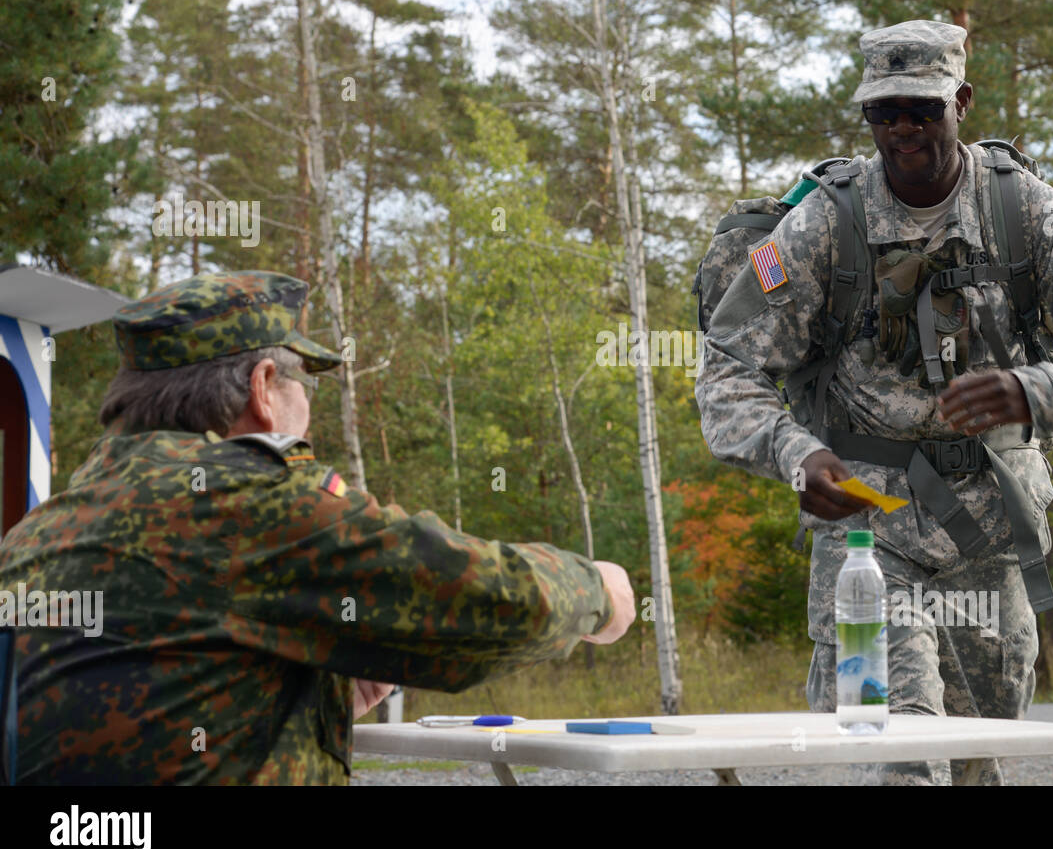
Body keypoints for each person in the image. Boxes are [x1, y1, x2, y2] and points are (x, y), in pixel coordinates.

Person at [695, 20, 1053, 785]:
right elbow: (728, 364)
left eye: (922, 109)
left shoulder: (1025, 211)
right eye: (885, 112)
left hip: (991, 526)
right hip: (867, 533)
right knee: (901, 752)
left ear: (961, 101)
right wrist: (795, 453)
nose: (902, 128)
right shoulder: (825, 224)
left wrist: (1035, 389)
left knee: (982, 757)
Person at [0, 270, 635, 784]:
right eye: (304, 382)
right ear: (263, 387)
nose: (309, 403)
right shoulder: (244, 500)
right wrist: (595, 589)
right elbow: (494, 600)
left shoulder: (43, 530)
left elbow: (135, 712)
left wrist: (311, 704)